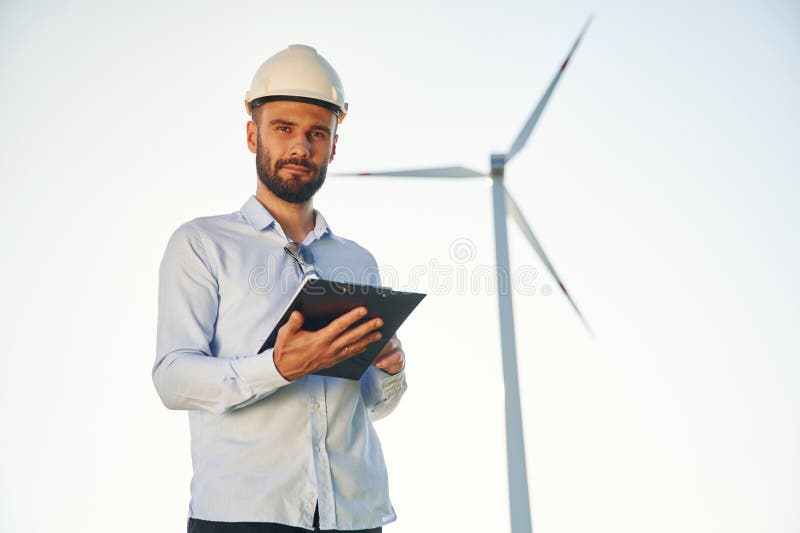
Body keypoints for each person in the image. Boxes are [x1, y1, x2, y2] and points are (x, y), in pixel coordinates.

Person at [153, 44, 407, 533]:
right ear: (253, 135)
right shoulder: (202, 243)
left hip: (354, 516)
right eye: (283, 129)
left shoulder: (359, 261)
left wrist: (390, 372)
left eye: (317, 133)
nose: (301, 147)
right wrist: (276, 368)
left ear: (334, 146)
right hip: (243, 515)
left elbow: (370, 404)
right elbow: (172, 377)